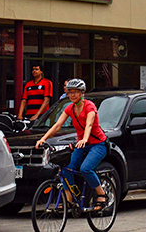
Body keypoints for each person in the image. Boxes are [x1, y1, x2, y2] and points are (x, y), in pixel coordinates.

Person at [35, 79, 108, 210]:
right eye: (70, 92)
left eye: (76, 92)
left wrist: (85, 138)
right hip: (81, 144)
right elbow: (57, 125)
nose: (73, 95)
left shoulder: (89, 106)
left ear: (82, 93)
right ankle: (70, 200)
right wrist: (43, 138)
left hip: (98, 144)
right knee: (66, 168)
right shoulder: (69, 108)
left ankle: (101, 195)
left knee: (85, 169)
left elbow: (89, 124)